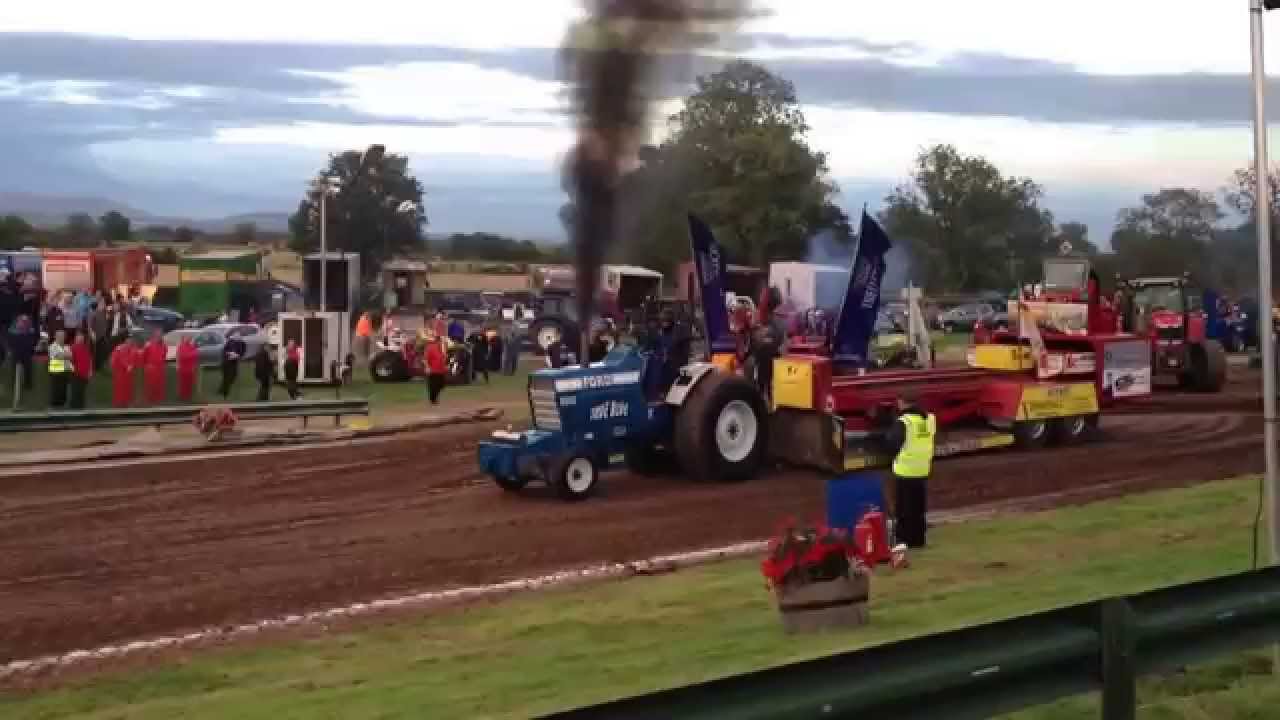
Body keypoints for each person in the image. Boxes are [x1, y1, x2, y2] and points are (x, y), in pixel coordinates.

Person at [883, 395, 937, 549]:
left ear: (902, 403)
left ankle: (903, 541)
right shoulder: (930, 419)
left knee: (904, 509)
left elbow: (892, 444)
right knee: (918, 508)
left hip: (905, 471)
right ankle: (918, 540)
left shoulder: (904, 422)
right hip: (922, 469)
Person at [7, 314, 36, 393]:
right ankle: (14, 384)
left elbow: (32, 340)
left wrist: (31, 349)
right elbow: (10, 340)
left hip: (26, 352)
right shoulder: (13, 329)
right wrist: (10, 349)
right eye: (21, 322)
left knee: (28, 368)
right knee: (14, 369)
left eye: (24, 322)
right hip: (16, 351)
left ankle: (28, 384)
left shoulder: (30, 328)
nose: (22, 323)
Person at [46, 329, 72, 408]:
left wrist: (63, 355)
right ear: (55, 337)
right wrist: (65, 355)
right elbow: (57, 356)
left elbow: (70, 356)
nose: (62, 338)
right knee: (56, 389)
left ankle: (63, 405)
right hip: (56, 371)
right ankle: (54, 406)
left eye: (63, 336)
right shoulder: (52, 346)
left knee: (64, 389)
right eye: (60, 336)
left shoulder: (67, 346)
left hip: (66, 370)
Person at [142, 329, 168, 404]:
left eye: (161, 335)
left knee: (159, 384)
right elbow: (144, 356)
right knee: (150, 385)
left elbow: (164, 356)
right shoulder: (148, 344)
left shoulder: (164, 346)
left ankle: (158, 400)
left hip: (160, 368)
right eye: (158, 335)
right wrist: (146, 365)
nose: (159, 336)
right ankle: (149, 400)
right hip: (151, 368)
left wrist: (162, 365)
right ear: (154, 335)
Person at [109, 336, 136, 407]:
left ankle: (126, 403)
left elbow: (134, 357)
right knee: (120, 388)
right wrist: (127, 366)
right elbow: (121, 358)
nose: (130, 342)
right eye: (129, 340)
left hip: (127, 372)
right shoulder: (120, 348)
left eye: (131, 341)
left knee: (128, 388)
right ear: (126, 341)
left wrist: (132, 365)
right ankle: (119, 403)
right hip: (120, 371)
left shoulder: (132, 348)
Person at [69, 332, 93, 409]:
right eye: (79, 338)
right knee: (75, 392)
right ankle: (74, 408)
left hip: (85, 374)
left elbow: (89, 359)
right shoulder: (72, 348)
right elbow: (69, 361)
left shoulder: (86, 348)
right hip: (76, 374)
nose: (80, 340)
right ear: (76, 339)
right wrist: (73, 371)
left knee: (82, 392)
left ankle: (81, 407)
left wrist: (90, 371)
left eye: (82, 339)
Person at [220, 331, 247, 399]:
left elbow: (243, 352)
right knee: (227, 377)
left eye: (238, 336)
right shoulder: (229, 342)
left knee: (233, 376)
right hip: (227, 362)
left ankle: (223, 389)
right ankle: (225, 393)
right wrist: (229, 353)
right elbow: (224, 351)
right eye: (235, 336)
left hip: (234, 362)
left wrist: (238, 355)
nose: (237, 337)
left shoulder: (242, 343)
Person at [424, 332, 446, 405]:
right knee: (433, 385)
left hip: (441, 369)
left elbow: (443, 357)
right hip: (433, 370)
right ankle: (433, 399)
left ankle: (434, 398)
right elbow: (425, 359)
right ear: (437, 341)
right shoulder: (430, 347)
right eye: (441, 341)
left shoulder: (442, 348)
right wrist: (427, 367)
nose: (442, 342)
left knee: (441, 385)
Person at [176, 335, 198, 401]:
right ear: (183, 339)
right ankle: (182, 396)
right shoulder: (181, 346)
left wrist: (194, 365)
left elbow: (195, 356)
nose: (188, 339)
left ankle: (188, 395)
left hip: (190, 368)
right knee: (183, 383)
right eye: (187, 338)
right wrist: (191, 354)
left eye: (189, 338)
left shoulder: (192, 346)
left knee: (189, 382)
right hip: (183, 367)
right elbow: (183, 356)